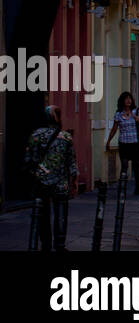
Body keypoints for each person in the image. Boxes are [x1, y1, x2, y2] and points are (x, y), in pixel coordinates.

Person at [25, 106, 78, 251]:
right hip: (61, 182)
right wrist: (74, 180)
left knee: (42, 213)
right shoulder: (66, 137)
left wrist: (36, 173)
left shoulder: (36, 135)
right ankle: (60, 244)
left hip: (41, 180)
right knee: (61, 212)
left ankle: (46, 244)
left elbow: (29, 159)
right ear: (59, 118)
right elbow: (71, 161)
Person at [105, 91, 139, 194]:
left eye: (130, 98)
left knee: (136, 165)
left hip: (135, 143)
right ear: (122, 101)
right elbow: (114, 129)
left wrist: (138, 119)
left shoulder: (137, 111)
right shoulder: (118, 114)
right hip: (124, 143)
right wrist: (108, 141)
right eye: (126, 98)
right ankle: (122, 187)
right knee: (124, 165)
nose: (128, 100)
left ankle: (137, 186)